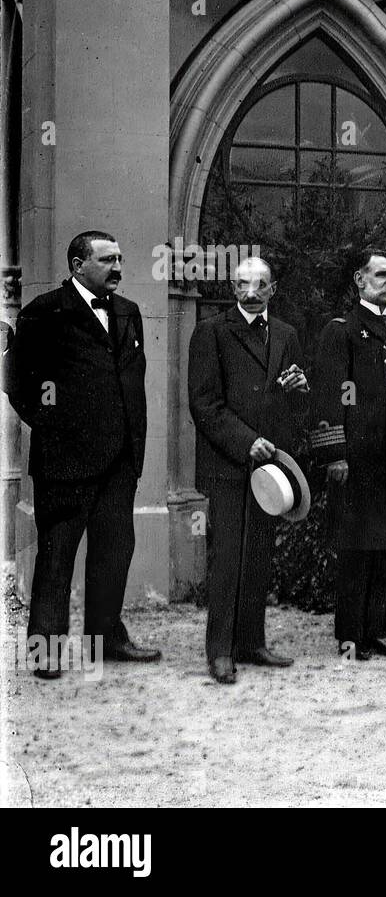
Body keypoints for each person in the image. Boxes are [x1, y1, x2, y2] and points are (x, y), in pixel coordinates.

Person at [10, 230, 159, 678]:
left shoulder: (128, 312)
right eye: (106, 260)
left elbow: (131, 385)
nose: (117, 268)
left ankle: (107, 638)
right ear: (77, 265)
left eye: (120, 259)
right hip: (65, 465)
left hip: (118, 463)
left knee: (114, 554)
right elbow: (17, 380)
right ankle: (45, 652)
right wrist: (55, 426)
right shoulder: (44, 313)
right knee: (56, 557)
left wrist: (132, 450)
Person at [189, 257, 309, 683]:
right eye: (243, 284)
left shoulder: (287, 335)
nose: (252, 292)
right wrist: (245, 442)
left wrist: (297, 391)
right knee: (227, 558)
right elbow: (204, 404)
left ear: (272, 290)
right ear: (233, 287)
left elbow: (293, 405)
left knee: (259, 555)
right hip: (229, 464)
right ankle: (219, 651)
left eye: (260, 284)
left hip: (270, 468)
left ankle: (251, 643)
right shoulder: (212, 332)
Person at [311, 248, 386, 659]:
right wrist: (335, 454)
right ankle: (351, 634)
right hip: (359, 460)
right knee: (358, 548)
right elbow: (328, 398)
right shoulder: (342, 330)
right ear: (360, 281)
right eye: (381, 275)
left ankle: (379, 627)